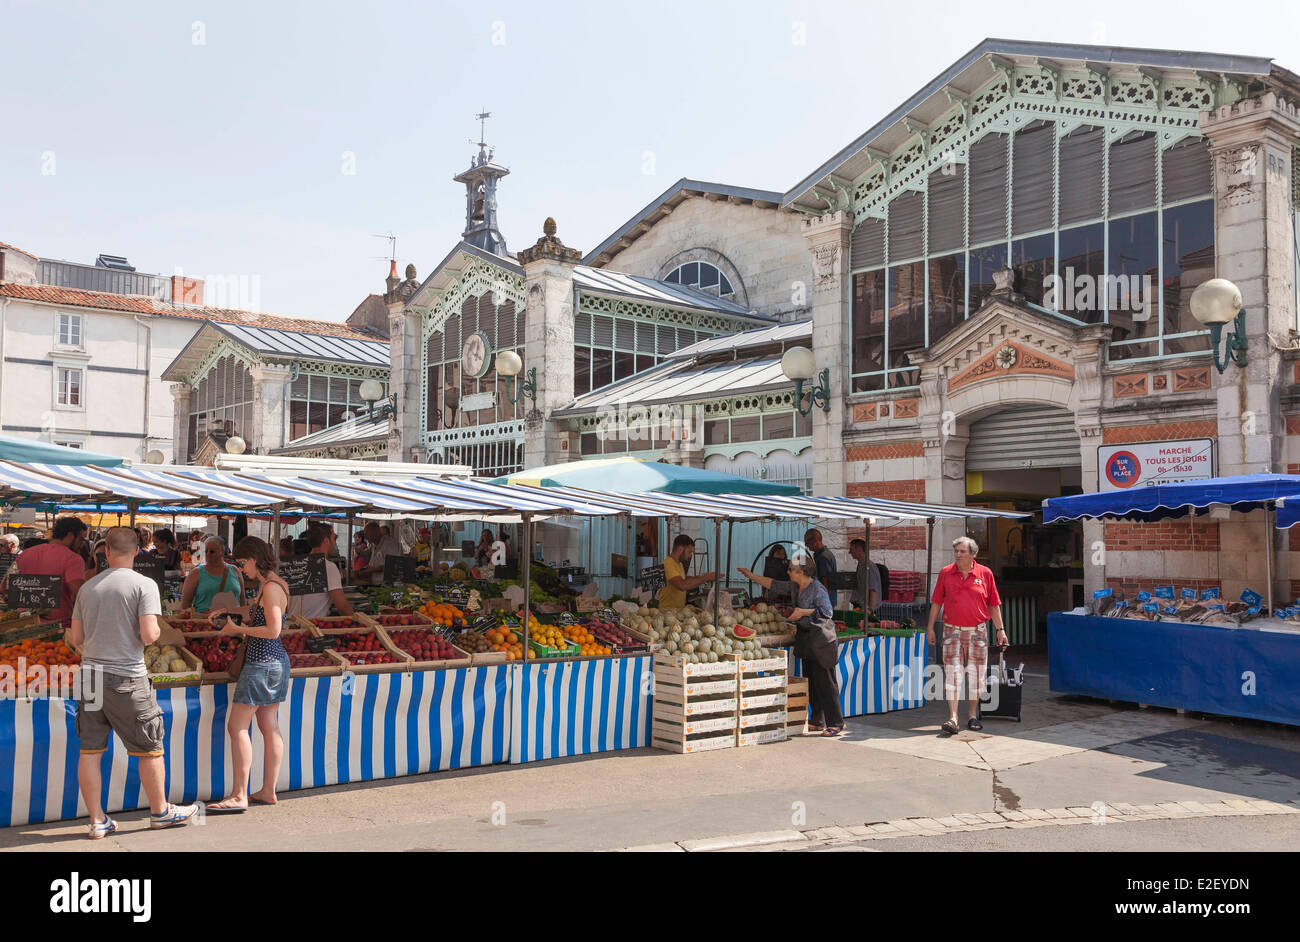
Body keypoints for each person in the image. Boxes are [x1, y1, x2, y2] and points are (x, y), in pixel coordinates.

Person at [68, 527, 198, 837]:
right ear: (138, 551)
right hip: (127, 677)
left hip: (91, 678)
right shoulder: (144, 585)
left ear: (106, 553)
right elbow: (150, 633)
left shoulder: (88, 587)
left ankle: (97, 820)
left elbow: (76, 638)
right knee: (149, 747)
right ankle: (160, 811)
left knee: (90, 750)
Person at [206, 536, 292, 811]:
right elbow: (260, 614)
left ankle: (239, 795)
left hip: (261, 662)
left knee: (237, 727)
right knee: (269, 726)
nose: (241, 569)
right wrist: (229, 610)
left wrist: (238, 629)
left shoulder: (269, 589)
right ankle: (267, 790)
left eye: (243, 563)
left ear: (254, 559)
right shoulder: (274, 585)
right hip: (275, 663)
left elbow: (273, 629)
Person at [738, 558, 844, 736]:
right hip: (806, 638)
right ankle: (817, 720)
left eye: (791, 569)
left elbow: (827, 611)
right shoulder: (795, 586)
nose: (788, 572)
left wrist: (802, 612)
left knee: (826, 682)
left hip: (820, 640)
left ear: (801, 572)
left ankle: (836, 722)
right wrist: (751, 576)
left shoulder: (817, 589)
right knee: (811, 680)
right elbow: (774, 584)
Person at [926, 536, 1008, 735]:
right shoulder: (946, 573)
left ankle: (972, 715)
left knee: (977, 676)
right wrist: (929, 627)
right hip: (951, 631)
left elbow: (994, 604)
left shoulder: (985, 573)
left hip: (978, 632)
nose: (958, 555)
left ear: (973, 554)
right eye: (956, 551)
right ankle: (953, 717)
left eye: (962, 552)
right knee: (952, 674)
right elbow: (936, 601)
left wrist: (1001, 630)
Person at [15, 516, 88, 625]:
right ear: (70, 535)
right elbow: (81, 593)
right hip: (58, 627)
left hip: (24, 623)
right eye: (80, 539)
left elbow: (4, 587)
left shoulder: (24, 554)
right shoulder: (73, 559)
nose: (80, 544)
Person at [287, 523, 354, 619]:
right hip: (310, 628)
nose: (335, 544)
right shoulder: (329, 567)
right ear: (326, 541)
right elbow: (342, 607)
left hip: (291, 628)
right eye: (334, 539)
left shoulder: (296, 564)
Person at [180, 537, 243, 613]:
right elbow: (185, 604)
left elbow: (242, 600)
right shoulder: (195, 573)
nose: (208, 554)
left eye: (212, 551)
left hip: (234, 621)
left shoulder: (235, 570)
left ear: (222, 552)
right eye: (205, 551)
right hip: (205, 621)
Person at [658, 534, 716, 609]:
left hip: (677, 612)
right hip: (666, 612)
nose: (691, 555)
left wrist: (701, 577)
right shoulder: (668, 564)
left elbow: (684, 579)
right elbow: (682, 585)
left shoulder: (679, 564)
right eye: (689, 552)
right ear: (680, 549)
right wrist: (706, 578)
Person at [803, 528, 839, 607]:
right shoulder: (823, 555)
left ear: (815, 540)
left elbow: (826, 582)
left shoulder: (823, 557)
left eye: (807, 542)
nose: (806, 545)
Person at [360, 521, 402, 585]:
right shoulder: (374, 546)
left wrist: (373, 569)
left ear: (375, 532)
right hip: (376, 583)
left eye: (367, 533)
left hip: (388, 585)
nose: (365, 536)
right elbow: (372, 565)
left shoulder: (390, 544)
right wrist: (363, 570)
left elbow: (393, 565)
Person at [849, 539, 881, 613]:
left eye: (851, 549)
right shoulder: (861, 565)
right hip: (860, 607)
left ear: (859, 549)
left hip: (865, 609)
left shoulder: (869, 567)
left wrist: (870, 612)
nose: (849, 552)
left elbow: (873, 591)